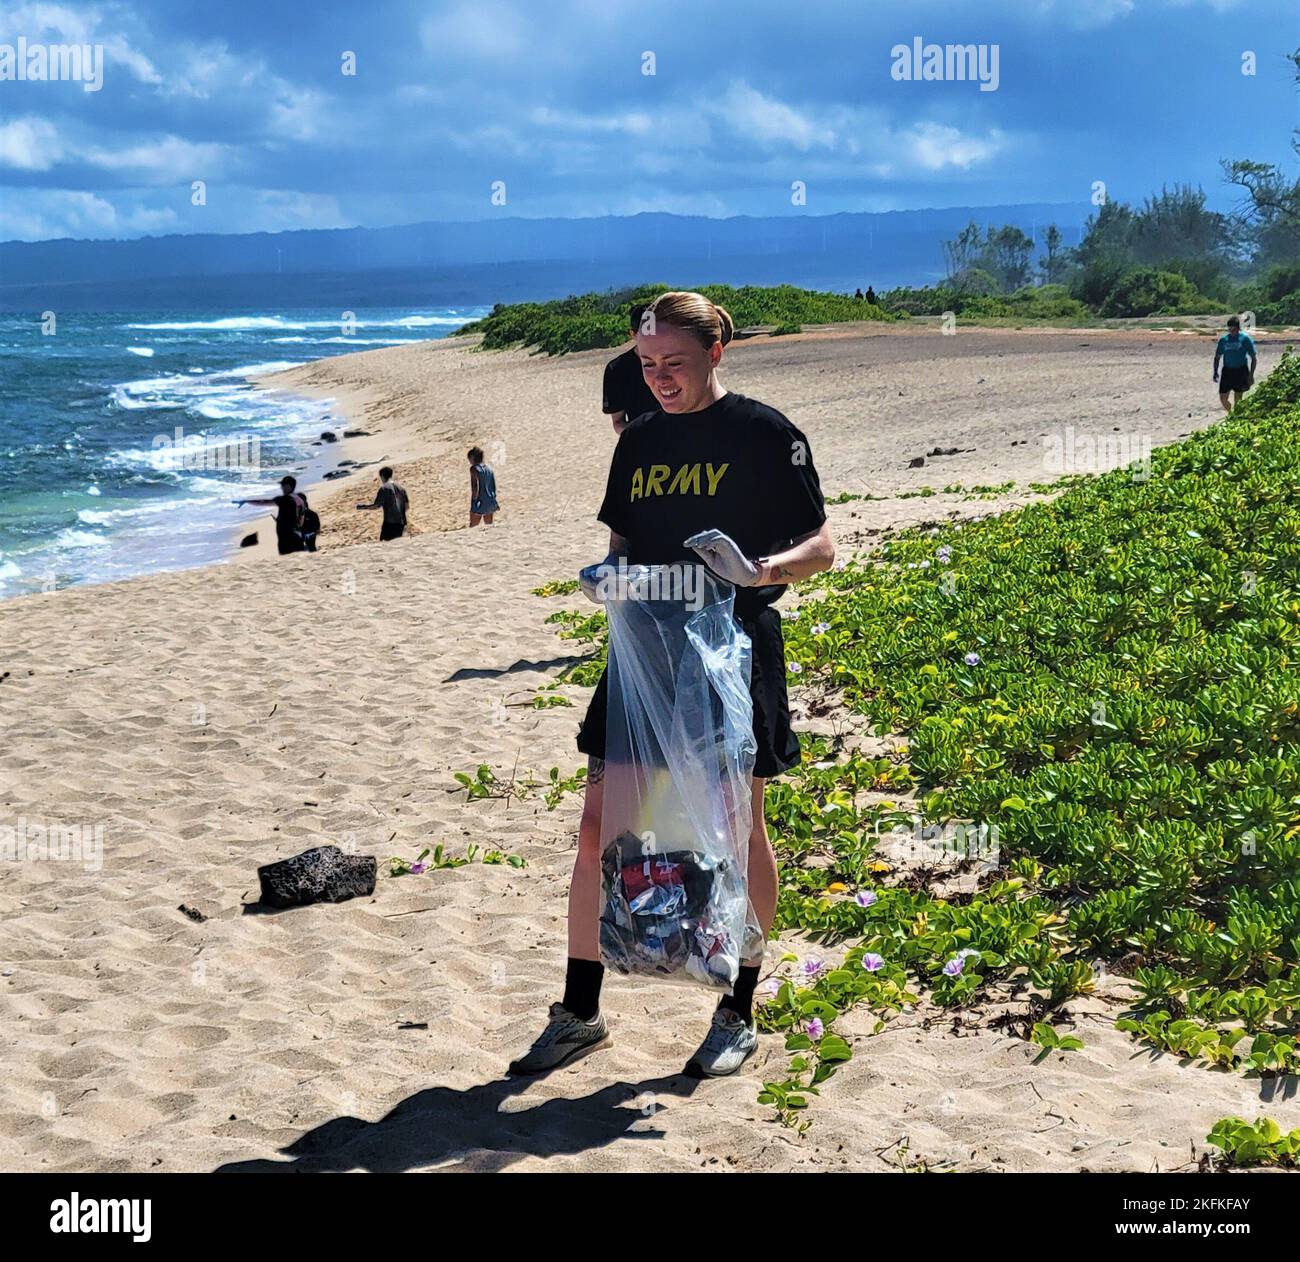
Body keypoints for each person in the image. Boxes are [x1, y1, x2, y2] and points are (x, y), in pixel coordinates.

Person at [508, 290, 835, 1079]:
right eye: (647, 365)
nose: (659, 379)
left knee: (736, 824)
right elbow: (621, 546)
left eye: (675, 364)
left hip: (730, 653)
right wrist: (606, 580)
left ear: (717, 352)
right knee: (599, 828)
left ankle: (737, 1011)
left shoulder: (764, 434)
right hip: (643, 654)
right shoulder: (640, 442)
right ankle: (580, 1012)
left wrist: (759, 570)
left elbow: (822, 547)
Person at [601, 303, 661, 436]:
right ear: (633, 334)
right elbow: (618, 423)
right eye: (646, 333)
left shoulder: (676, 360)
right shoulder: (616, 370)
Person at [237, 475, 307, 555]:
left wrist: (247, 501)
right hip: (297, 537)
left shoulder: (283, 499)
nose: (281, 488)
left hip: (286, 538)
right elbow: (300, 522)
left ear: (288, 486)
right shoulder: (301, 501)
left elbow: (263, 502)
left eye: (283, 485)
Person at [1213, 315, 1257, 412]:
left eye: (1233, 329)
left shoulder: (1245, 339)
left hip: (1241, 370)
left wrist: (1251, 375)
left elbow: (1253, 358)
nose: (1231, 331)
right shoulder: (1224, 340)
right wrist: (1215, 371)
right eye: (1229, 329)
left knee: (1238, 398)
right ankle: (1231, 413)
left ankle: (1236, 417)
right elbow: (1217, 357)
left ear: (1237, 328)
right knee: (1223, 398)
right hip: (1227, 371)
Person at [355, 466, 408, 540]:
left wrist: (362, 507)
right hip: (401, 522)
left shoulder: (384, 489)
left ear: (382, 476)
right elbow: (406, 507)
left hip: (390, 523)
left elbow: (376, 506)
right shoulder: (401, 488)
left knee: (386, 545)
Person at [467, 446, 499, 525]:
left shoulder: (474, 469)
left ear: (472, 458)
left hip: (480, 500)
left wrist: (474, 501)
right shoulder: (489, 469)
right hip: (491, 500)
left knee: (473, 525)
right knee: (488, 525)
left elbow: (475, 486)